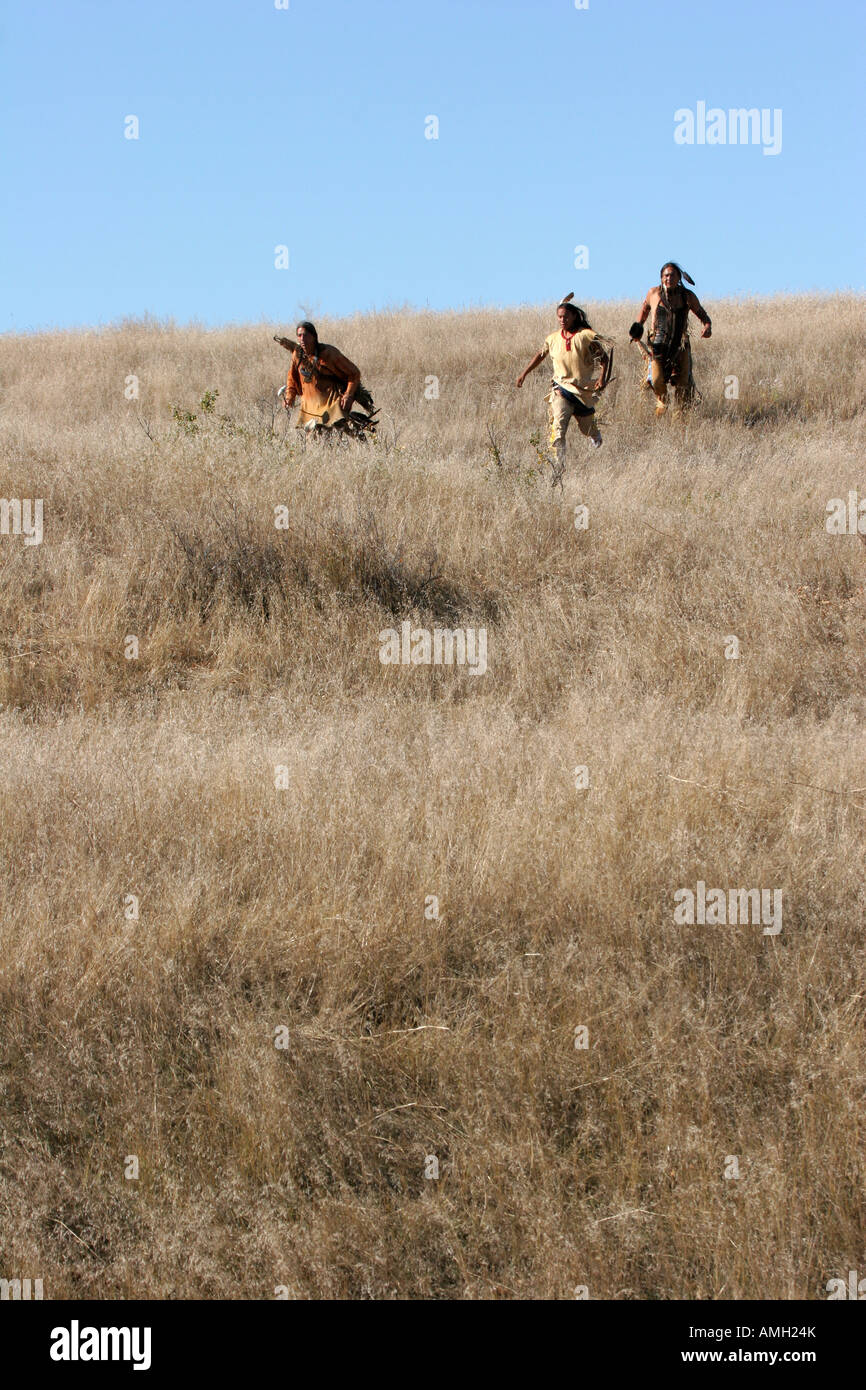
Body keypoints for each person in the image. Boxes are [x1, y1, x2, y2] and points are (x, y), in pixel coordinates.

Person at [515, 294, 610, 480]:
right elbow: (540, 355)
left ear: (574, 316)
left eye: (565, 316)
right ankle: (558, 469)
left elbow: (604, 357)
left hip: (583, 392)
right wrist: (524, 373)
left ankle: (595, 434)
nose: (562, 320)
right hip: (561, 389)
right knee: (557, 428)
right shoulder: (552, 339)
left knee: (587, 429)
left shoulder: (585, 336)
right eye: (559, 317)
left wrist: (601, 378)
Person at [628, 263, 711, 416]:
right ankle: (663, 400)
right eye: (666, 275)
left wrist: (707, 326)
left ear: (679, 278)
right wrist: (638, 327)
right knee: (657, 379)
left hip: (680, 347)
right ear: (661, 278)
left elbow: (702, 314)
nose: (669, 278)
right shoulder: (653, 293)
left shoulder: (687, 296)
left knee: (683, 384)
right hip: (657, 346)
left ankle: (680, 417)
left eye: (672, 275)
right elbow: (644, 309)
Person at [276, 321, 362, 432]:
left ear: (314, 337)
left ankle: (360, 441)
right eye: (299, 335)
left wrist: (348, 395)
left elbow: (354, 373)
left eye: (305, 335)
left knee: (341, 430)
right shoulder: (297, 355)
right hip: (310, 404)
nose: (302, 338)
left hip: (331, 401)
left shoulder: (328, 353)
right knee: (314, 439)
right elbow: (292, 379)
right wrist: (289, 397)